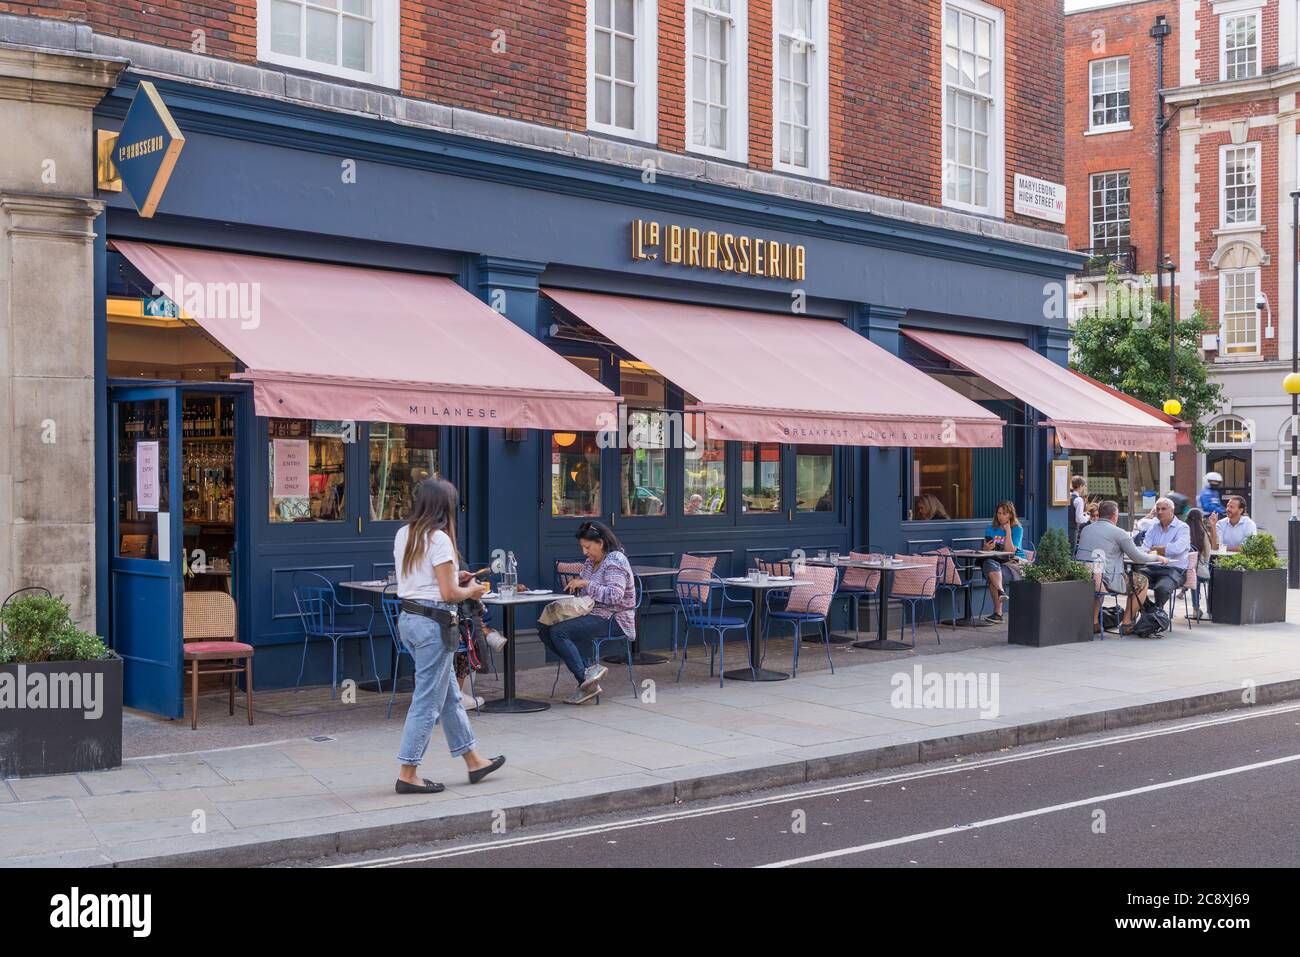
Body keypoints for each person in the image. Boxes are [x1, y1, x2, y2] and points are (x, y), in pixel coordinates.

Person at [392, 478, 505, 795]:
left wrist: (457, 577)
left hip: (410, 619)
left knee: (448, 696)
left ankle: (474, 761)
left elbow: (424, 581)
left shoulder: (405, 534)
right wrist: (471, 588)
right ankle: (408, 772)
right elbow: (447, 593)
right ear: (445, 507)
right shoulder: (439, 539)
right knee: (427, 700)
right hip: (435, 624)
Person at [537, 520, 635, 705]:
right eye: (582, 547)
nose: (585, 552)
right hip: (592, 612)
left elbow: (615, 595)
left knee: (559, 632)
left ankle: (586, 681)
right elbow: (585, 592)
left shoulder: (615, 560)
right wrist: (576, 589)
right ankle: (588, 673)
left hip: (615, 618)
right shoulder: (591, 562)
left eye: (588, 547)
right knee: (544, 626)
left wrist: (586, 584)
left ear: (601, 543)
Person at [1075, 500, 1163, 633]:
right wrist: (1157, 557)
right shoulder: (1119, 532)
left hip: (1085, 575)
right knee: (1141, 581)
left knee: (1099, 576)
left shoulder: (1086, 529)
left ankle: (1093, 622)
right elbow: (1138, 558)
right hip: (1106, 579)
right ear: (1115, 516)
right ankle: (1127, 624)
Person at [1141, 497, 1190, 613]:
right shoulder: (1153, 527)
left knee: (1162, 588)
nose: (1159, 512)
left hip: (1174, 570)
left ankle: (1156, 613)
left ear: (1172, 511)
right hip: (1152, 567)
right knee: (1133, 582)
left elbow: (1177, 549)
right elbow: (1144, 548)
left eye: (1163, 509)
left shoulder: (1182, 527)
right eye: (1157, 509)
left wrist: (1155, 549)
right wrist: (1161, 550)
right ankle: (1152, 611)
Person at [980, 500, 1025, 623]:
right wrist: (986, 548)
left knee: (992, 577)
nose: (1000, 516)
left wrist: (1008, 531)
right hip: (995, 561)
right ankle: (1001, 591)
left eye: (1004, 513)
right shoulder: (990, 528)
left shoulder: (1017, 529)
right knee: (988, 562)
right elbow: (986, 549)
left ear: (1010, 515)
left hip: (1014, 564)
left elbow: (1010, 551)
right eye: (999, 513)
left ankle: (998, 613)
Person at [1185, 507, 1212, 621]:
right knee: (1195, 575)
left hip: (1181, 572)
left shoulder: (1183, 531)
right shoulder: (1203, 533)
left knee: (1191, 574)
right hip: (1197, 572)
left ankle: (1183, 592)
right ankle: (1196, 608)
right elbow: (1207, 555)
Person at [1068, 475, 1088, 552]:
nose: (1084, 489)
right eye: (1083, 487)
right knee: (1071, 552)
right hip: (1072, 530)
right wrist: (1087, 518)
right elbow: (1079, 518)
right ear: (1080, 486)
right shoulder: (1079, 500)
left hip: (1065, 528)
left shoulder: (1068, 496)